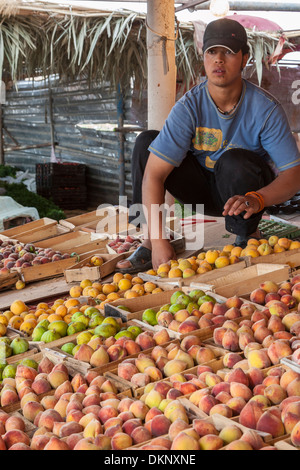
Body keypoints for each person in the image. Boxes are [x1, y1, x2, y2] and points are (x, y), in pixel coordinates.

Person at [117, 17, 300, 274]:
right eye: (211, 52)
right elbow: (155, 174)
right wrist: (159, 242)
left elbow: (294, 174)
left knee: (235, 159)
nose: (219, 60)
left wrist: (258, 199)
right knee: (147, 143)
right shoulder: (189, 106)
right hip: (199, 192)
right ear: (203, 58)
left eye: (229, 52)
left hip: (243, 198)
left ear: (244, 58)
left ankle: (247, 235)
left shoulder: (265, 109)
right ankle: (149, 241)